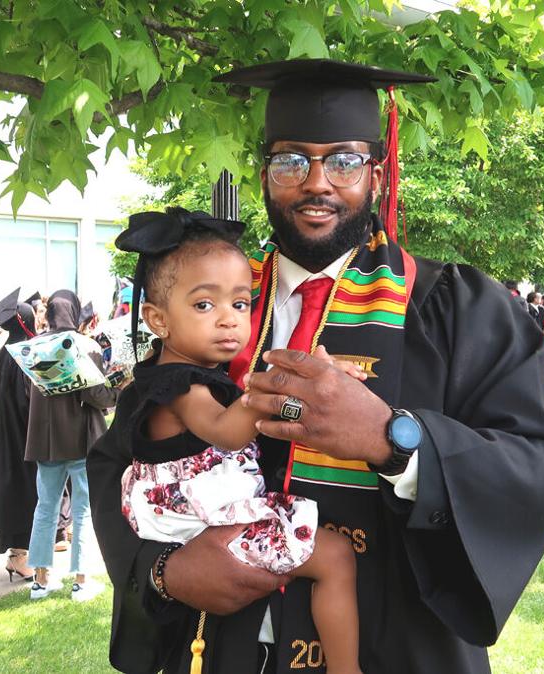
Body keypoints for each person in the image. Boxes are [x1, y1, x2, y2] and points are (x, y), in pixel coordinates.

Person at [89, 59, 544, 674]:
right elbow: (121, 455)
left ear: (377, 172)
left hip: (398, 647)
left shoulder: (459, 307)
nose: (316, 183)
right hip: (228, 646)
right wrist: (160, 572)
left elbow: (538, 461)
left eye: (344, 161)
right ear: (265, 173)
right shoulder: (211, 305)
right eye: (292, 160)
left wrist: (393, 440)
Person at [111, 208, 371, 673]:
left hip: (198, 515)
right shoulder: (181, 386)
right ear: (156, 319)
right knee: (335, 558)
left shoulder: (171, 375)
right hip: (204, 530)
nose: (230, 320)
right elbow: (230, 433)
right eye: (204, 305)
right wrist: (293, 382)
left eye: (240, 303)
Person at [25, 289, 119, 602]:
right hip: (82, 438)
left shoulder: (34, 348)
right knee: (82, 511)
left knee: (45, 508)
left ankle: (40, 579)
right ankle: (80, 580)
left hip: (45, 440)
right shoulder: (82, 344)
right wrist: (119, 389)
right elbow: (96, 394)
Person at [0, 289, 40, 580]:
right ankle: (20, 556)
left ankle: (17, 555)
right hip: (22, 436)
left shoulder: (5, 352)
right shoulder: (21, 354)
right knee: (24, 491)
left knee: (16, 489)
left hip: (7, 434)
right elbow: (26, 401)